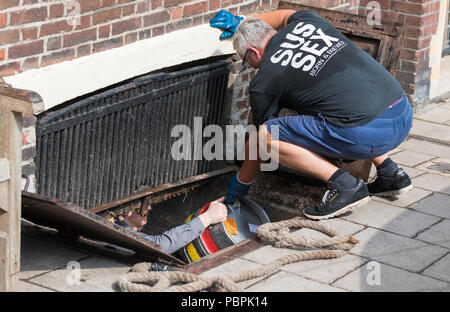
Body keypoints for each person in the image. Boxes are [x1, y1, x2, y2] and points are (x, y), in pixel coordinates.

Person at [210, 9, 413, 220]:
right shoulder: (307, 21)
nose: (249, 66)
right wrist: (243, 22)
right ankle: (391, 174)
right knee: (339, 102)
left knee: (267, 136)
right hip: (402, 111)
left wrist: (242, 182)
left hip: (367, 134)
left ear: (253, 52)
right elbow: (283, 16)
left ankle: (346, 187)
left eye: (245, 61)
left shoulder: (264, 82)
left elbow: (260, 141)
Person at [113, 197, 227, 254]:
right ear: (125, 210)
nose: (149, 208)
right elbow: (158, 246)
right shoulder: (113, 229)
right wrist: (208, 217)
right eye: (143, 204)